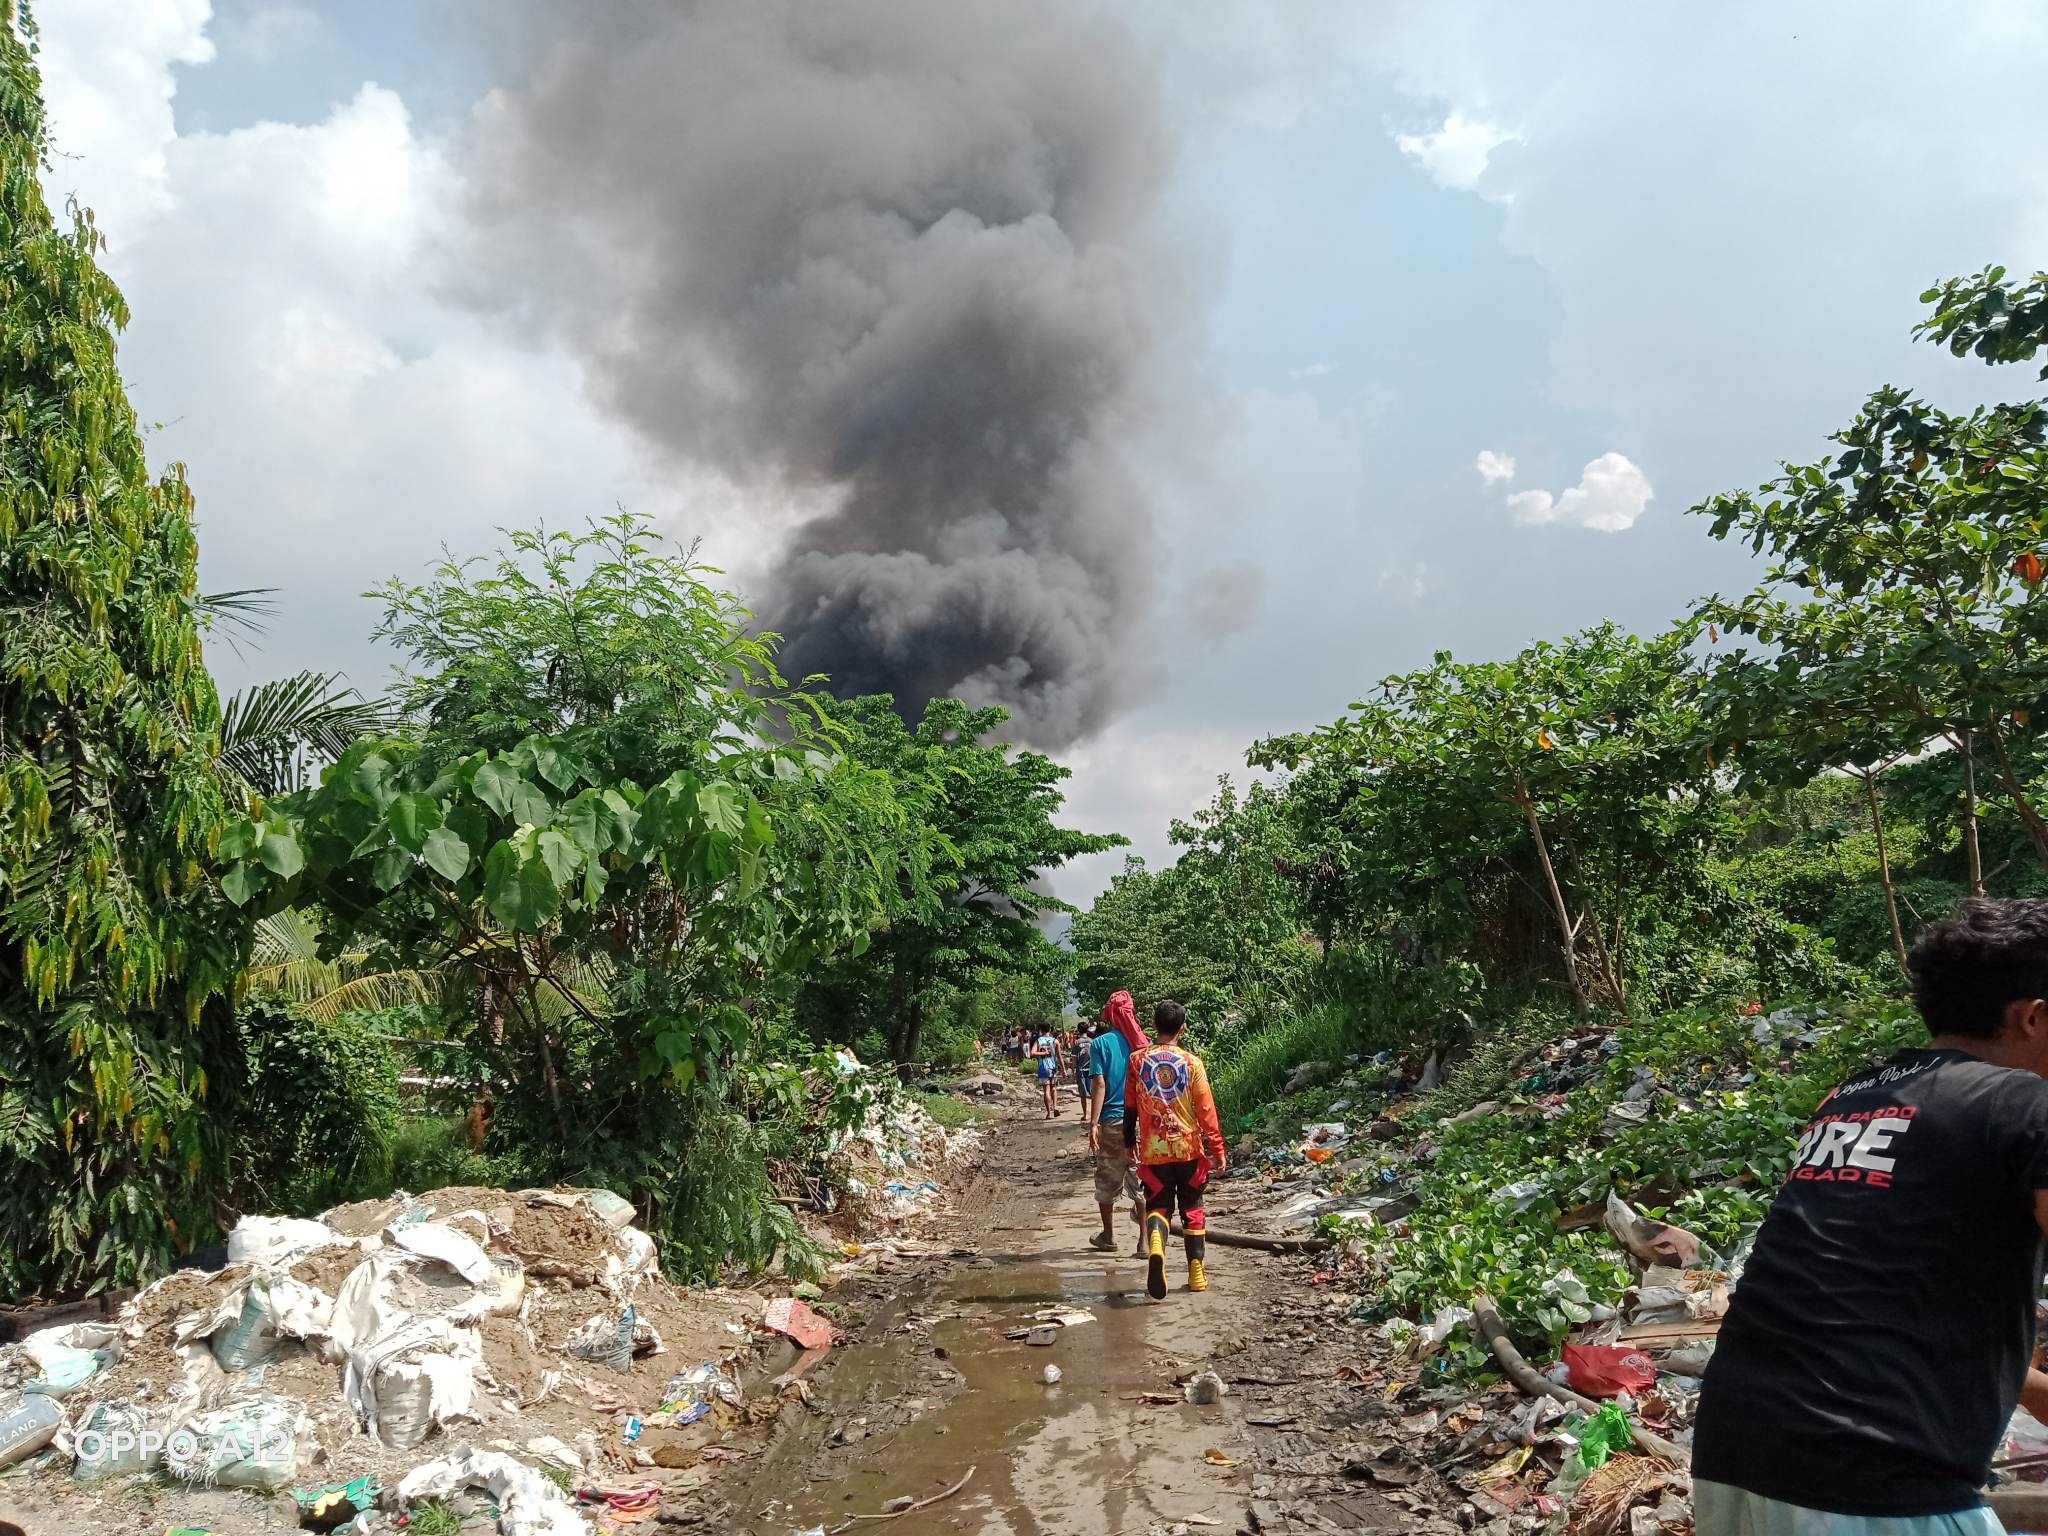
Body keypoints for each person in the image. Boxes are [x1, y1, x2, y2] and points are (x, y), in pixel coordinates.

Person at [1693, 898, 2048, 1536]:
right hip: (1873, 1483)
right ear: (2033, 1017)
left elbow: (1868, 1303)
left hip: (1736, 1455)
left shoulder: (1857, 1096)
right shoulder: (2026, 1106)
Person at [1123, 999, 1226, 1299]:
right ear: (1182, 1028)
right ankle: (1196, 1274)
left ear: (1153, 1025)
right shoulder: (1193, 1063)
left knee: (1158, 1207)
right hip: (1189, 1149)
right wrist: (1216, 1147)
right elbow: (1206, 1110)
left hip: (1154, 1152)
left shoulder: (1137, 1060)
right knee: (1192, 1207)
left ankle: (1156, 1244)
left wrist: (1130, 1143)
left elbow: (1130, 1108)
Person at [1087, 991, 1150, 1254]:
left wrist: (1093, 1123)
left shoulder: (1100, 1044)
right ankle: (1144, 1241)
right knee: (1139, 1177)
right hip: (1142, 1122)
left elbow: (1099, 1083)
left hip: (1113, 1120)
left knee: (1107, 1178)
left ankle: (1109, 1236)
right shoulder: (1142, 1043)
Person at [1032, 1025, 1063, 1118]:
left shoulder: (1039, 1041)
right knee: (1053, 1088)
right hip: (1053, 1068)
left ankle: (1049, 1113)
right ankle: (1055, 1107)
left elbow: (1032, 1053)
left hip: (1043, 1068)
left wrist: (1042, 1053)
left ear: (1041, 1030)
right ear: (1050, 1030)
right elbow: (1059, 1057)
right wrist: (1063, 1070)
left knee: (1046, 1090)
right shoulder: (1055, 1041)